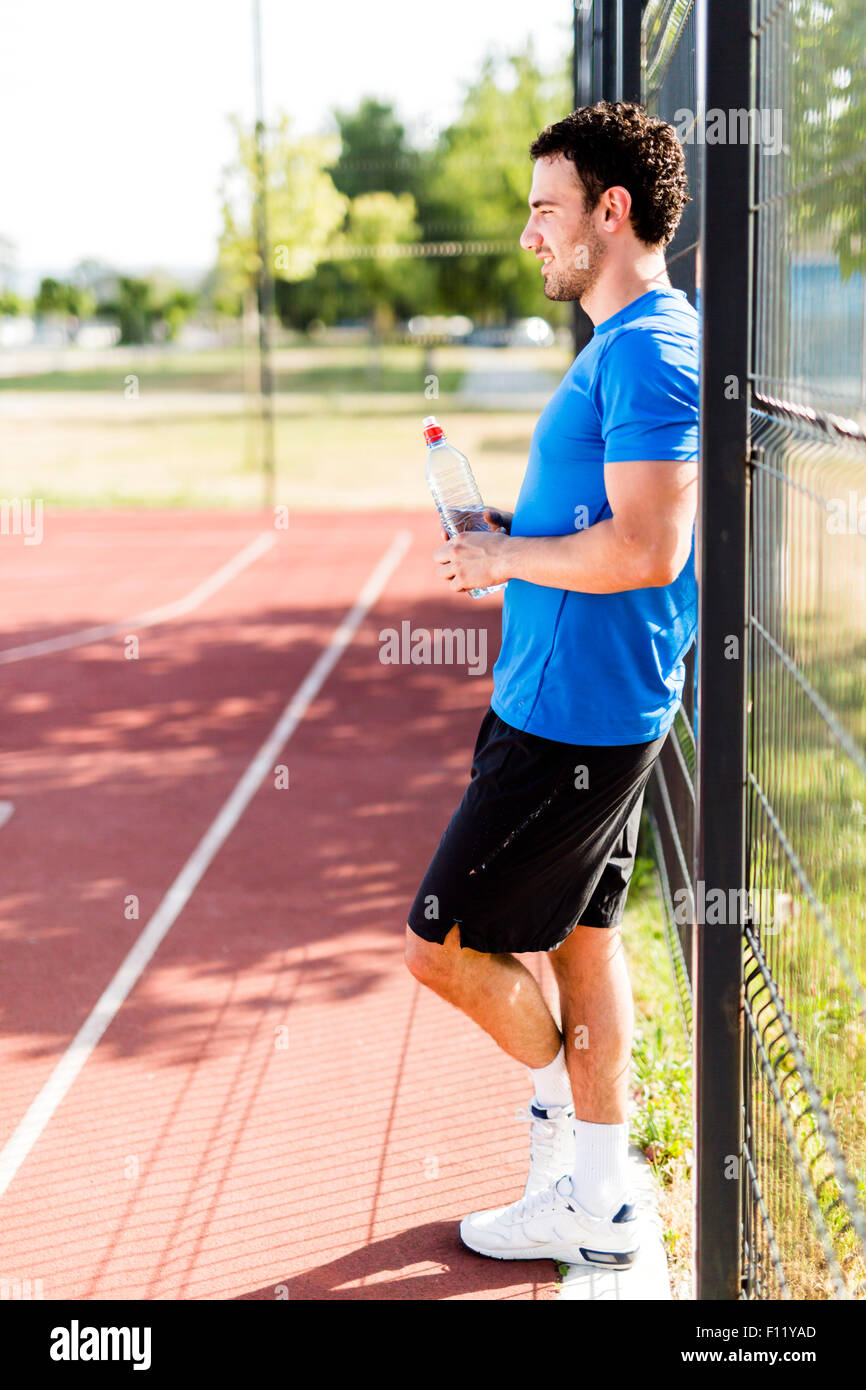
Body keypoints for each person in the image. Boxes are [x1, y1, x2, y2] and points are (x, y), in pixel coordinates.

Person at [403, 101, 700, 1269]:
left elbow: (647, 550)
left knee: (439, 942)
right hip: (562, 700)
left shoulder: (649, 350)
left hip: (574, 719)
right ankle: (594, 1191)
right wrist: (510, 529)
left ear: (607, 212)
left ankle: (566, 1136)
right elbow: (601, 523)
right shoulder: (621, 345)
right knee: (583, 939)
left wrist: (499, 555)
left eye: (544, 208)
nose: (529, 233)